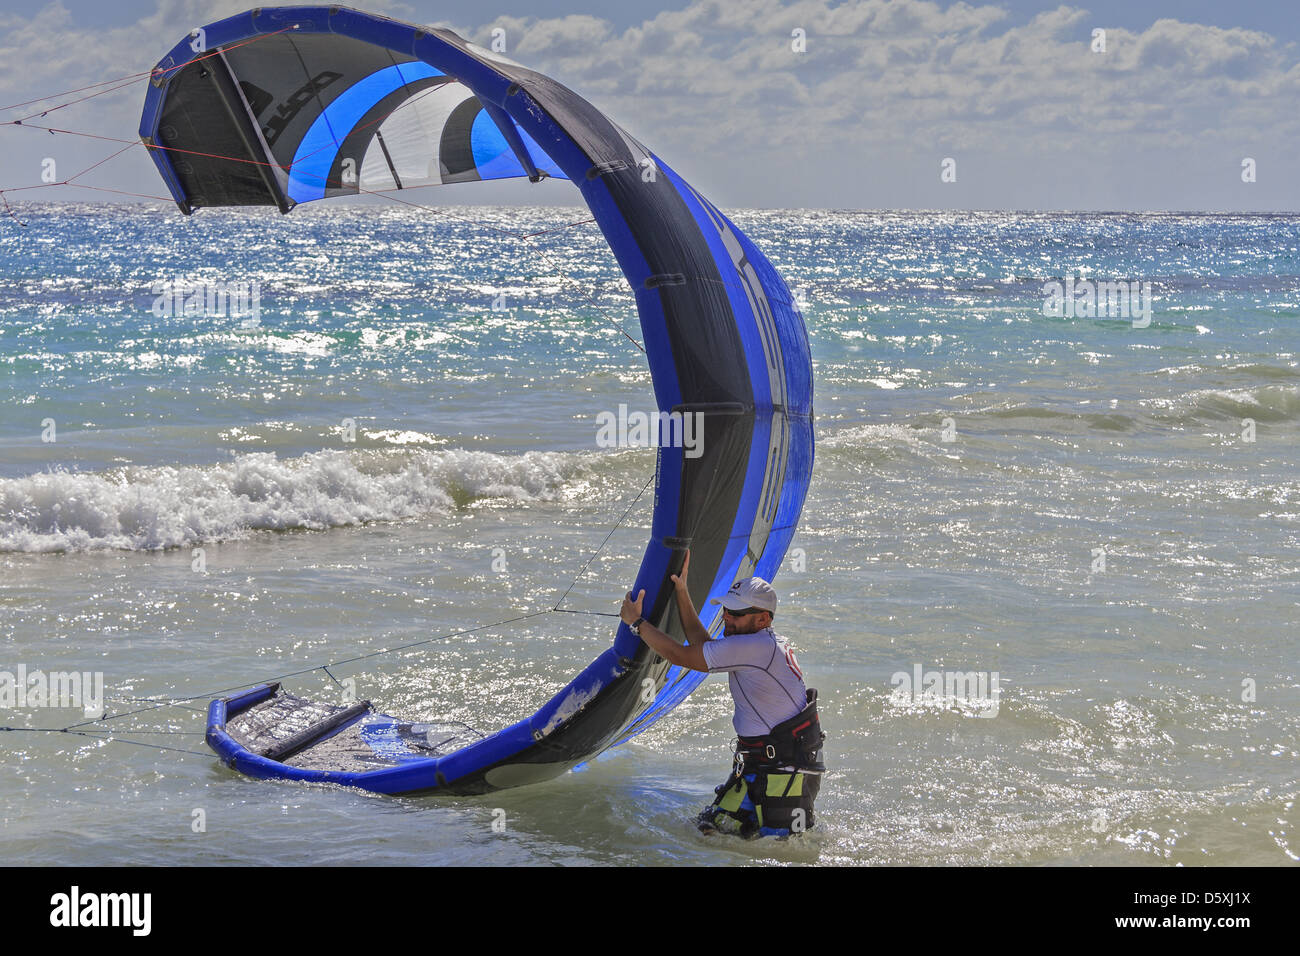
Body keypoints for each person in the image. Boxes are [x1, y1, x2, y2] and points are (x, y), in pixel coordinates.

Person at [620, 550, 826, 838]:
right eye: (726, 610)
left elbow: (680, 655)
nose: (727, 617)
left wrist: (636, 624)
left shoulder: (756, 647)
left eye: (736, 613)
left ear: (763, 619)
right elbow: (702, 644)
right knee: (707, 832)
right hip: (765, 766)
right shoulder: (755, 643)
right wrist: (682, 590)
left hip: (782, 772)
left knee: (777, 850)